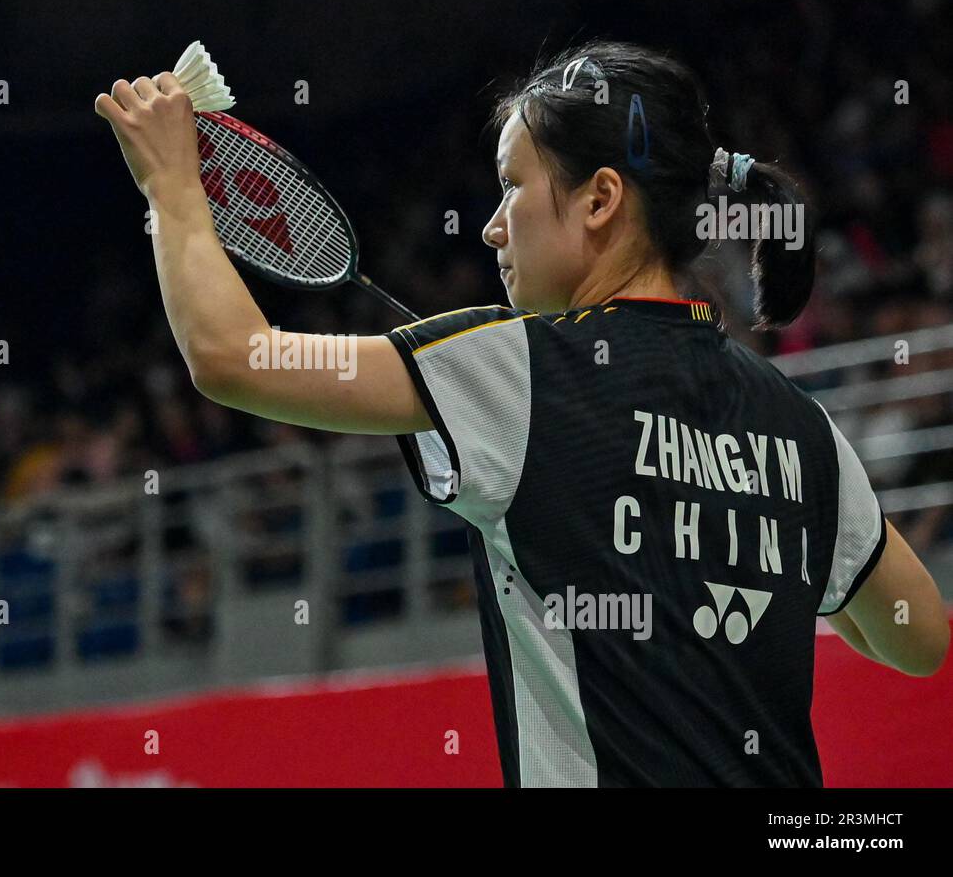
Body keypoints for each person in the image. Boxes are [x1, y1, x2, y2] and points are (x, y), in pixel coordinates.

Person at [94, 41, 948, 787]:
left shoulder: (517, 370)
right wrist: (742, 544)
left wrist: (173, 189)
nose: (494, 229)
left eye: (511, 188)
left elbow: (235, 357)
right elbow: (918, 640)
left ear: (601, 199)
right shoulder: (802, 429)